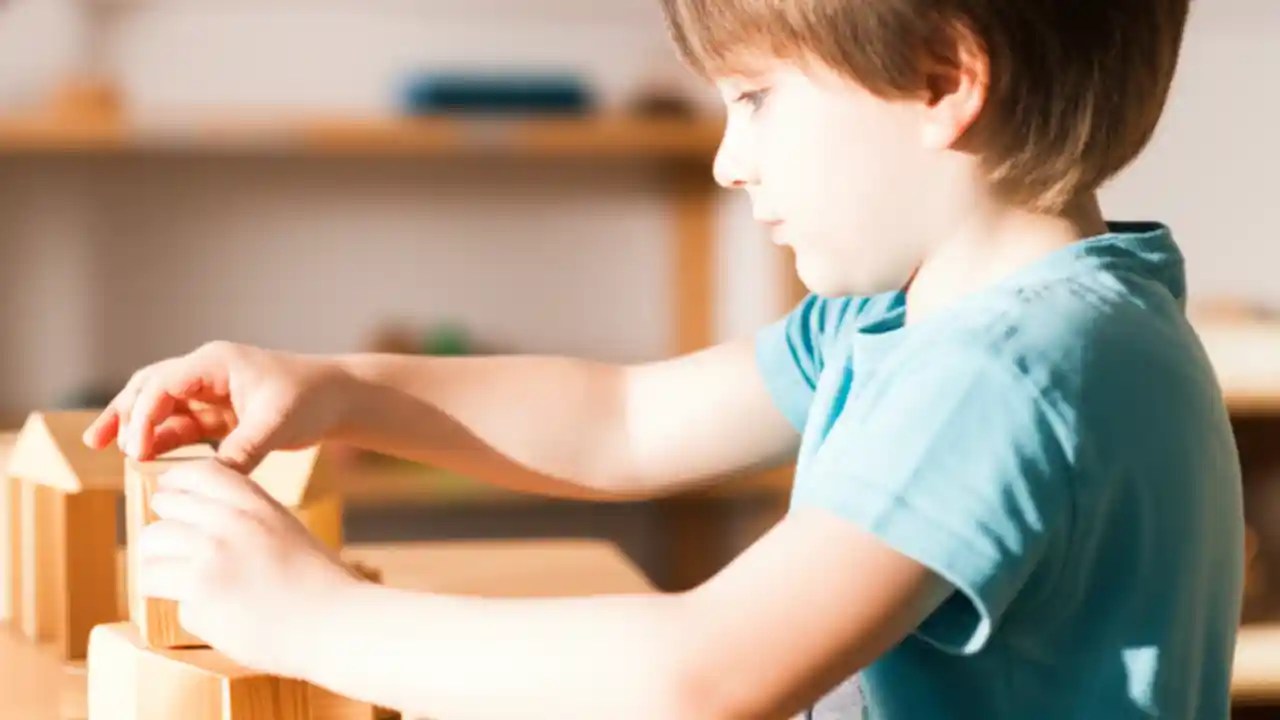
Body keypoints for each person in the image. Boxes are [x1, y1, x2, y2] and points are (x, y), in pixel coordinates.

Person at [84, 0, 1244, 717]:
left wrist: (314, 622)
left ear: (943, 80)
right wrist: (339, 387)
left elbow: (704, 679)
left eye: (754, 98)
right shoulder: (911, 320)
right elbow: (624, 422)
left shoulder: (1011, 366)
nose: (726, 162)